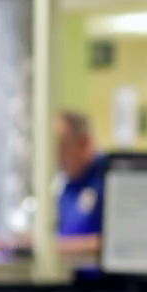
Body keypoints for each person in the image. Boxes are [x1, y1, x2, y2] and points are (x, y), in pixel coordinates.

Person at [54, 110, 109, 257]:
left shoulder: (108, 177)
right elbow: (62, 230)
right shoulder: (68, 185)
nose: (57, 157)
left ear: (84, 143)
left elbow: (118, 243)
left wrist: (55, 247)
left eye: (62, 146)